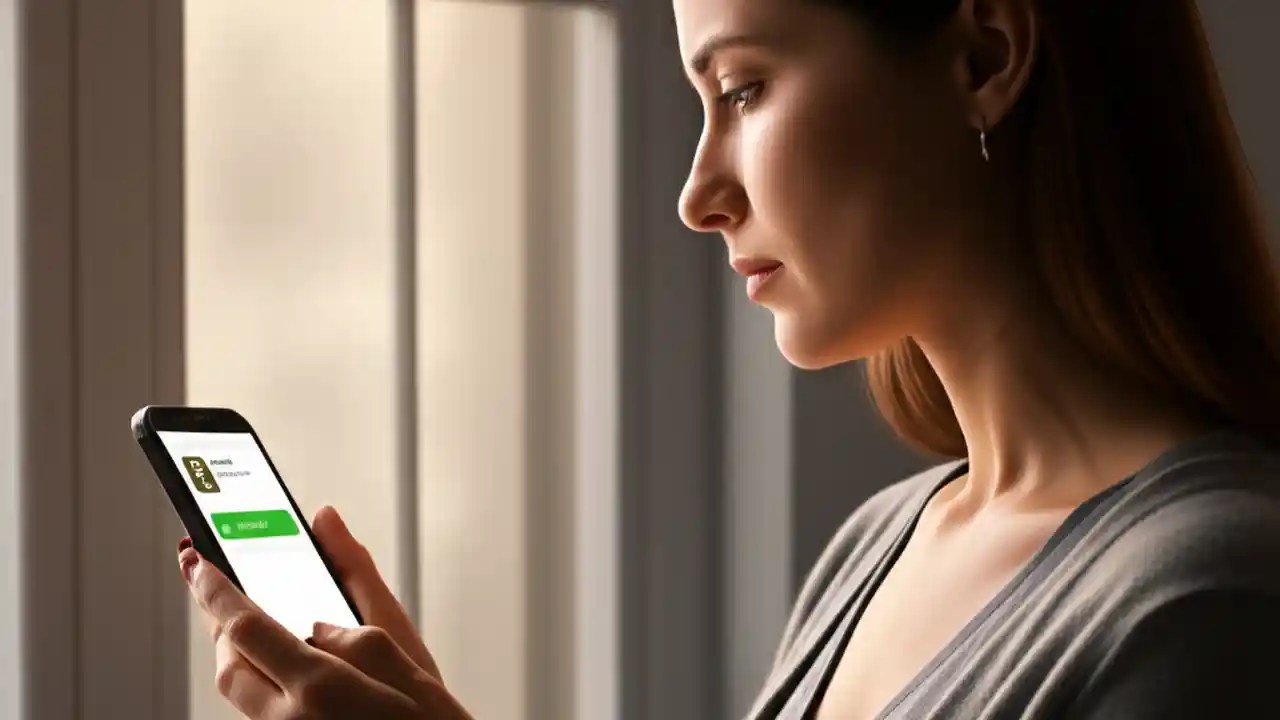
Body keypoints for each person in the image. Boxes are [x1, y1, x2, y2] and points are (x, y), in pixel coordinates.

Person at [177, 0, 1280, 717]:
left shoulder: (1209, 595)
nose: (696, 195)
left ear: (983, 55)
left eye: (742, 90)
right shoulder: (880, 546)